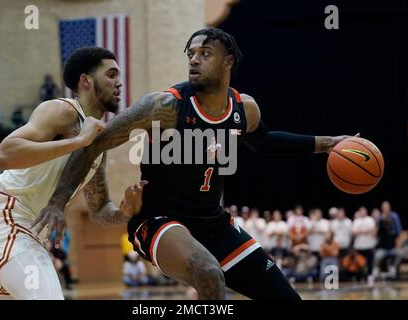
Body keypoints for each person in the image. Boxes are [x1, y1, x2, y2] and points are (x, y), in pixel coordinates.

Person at [36, 28, 355, 300]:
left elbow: (266, 142)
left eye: (205, 53)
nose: (194, 59)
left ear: (228, 62)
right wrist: (57, 201)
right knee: (208, 273)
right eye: (191, 53)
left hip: (213, 222)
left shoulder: (245, 109)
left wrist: (329, 144)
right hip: (157, 220)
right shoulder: (164, 107)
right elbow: (95, 144)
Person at [0, 47, 145, 300]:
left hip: (25, 230)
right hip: (4, 216)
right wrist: (78, 141)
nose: (119, 82)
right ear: (86, 81)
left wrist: (125, 211)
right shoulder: (63, 111)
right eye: (111, 74)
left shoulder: (95, 145)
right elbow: (3, 155)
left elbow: (100, 210)